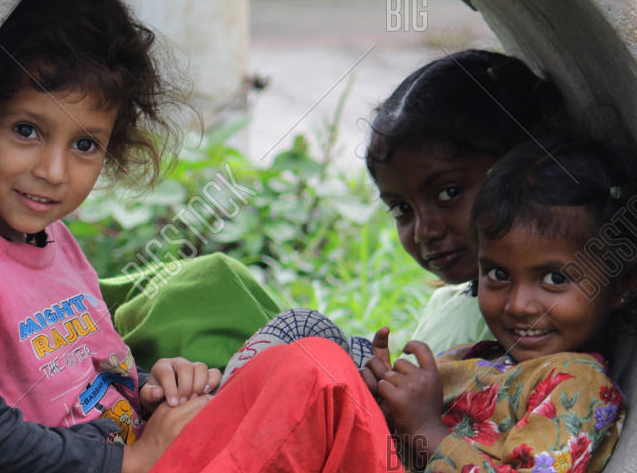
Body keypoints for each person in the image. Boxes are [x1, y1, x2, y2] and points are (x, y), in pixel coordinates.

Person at [13, 137, 637, 473]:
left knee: (317, 372)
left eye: (555, 279)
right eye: (497, 276)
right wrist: (381, 402)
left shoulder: (579, 384)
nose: (520, 304)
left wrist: (425, 428)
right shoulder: (488, 356)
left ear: (622, 283)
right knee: (295, 359)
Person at [0, 0, 219, 473]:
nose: (54, 171)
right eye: (27, 131)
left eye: (85, 144)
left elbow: (86, 379)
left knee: (292, 356)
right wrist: (133, 462)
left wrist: (157, 391)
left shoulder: (52, 237)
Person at [223, 49, 566, 379]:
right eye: (402, 208)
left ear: (523, 170)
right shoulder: (449, 302)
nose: (424, 231)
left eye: (449, 193)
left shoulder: (529, 320)